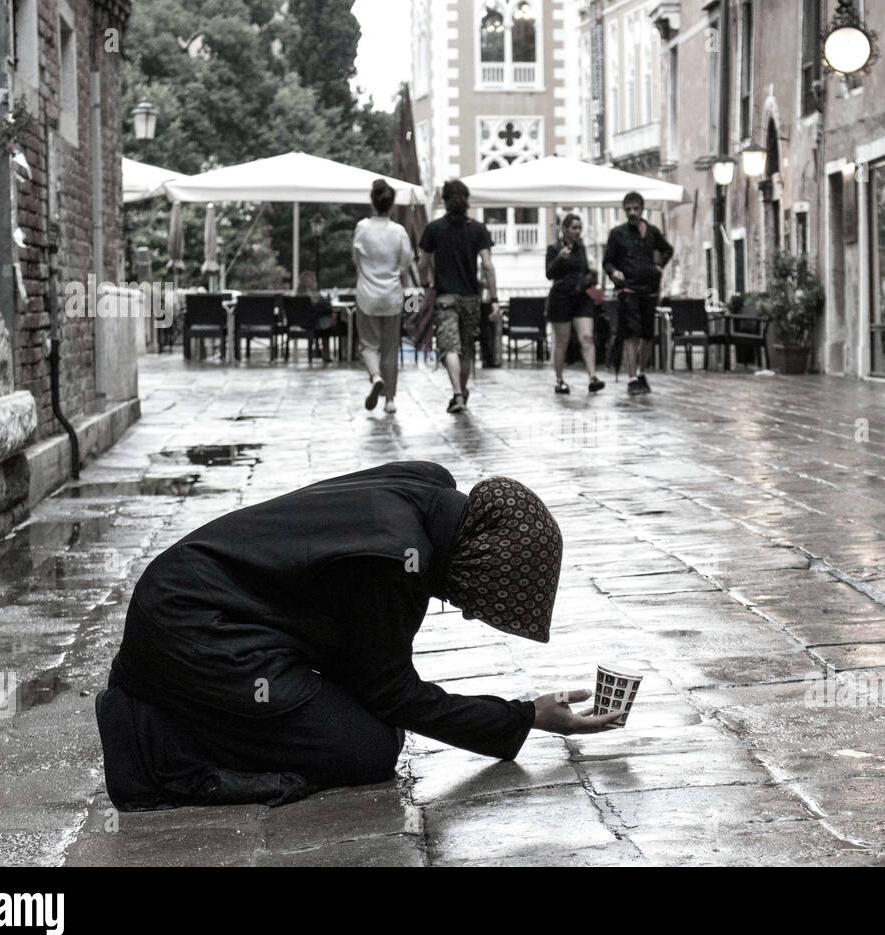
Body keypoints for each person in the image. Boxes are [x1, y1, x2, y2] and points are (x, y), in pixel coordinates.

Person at [95, 460, 622, 810]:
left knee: (379, 725)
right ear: (475, 564)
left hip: (193, 600)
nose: (465, 614)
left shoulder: (428, 491)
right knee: (365, 750)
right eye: (475, 601)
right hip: (195, 628)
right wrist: (524, 716)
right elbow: (391, 691)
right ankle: (154, 737)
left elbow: (378, 677)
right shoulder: (396, 561)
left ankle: (185, 705)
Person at [418, 180, 502, 414]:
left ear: (444, 201)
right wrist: (494, 299)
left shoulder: (433, 229)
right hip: (470, 299)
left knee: (449, 347)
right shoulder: (478, 229)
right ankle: (461, 392)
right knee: (465, 347)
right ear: (467, 200)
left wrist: (426, 285)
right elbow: (487, 265)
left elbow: (423, 263)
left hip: (444, 297)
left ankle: (457, 393)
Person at [353, 179, 415, 414]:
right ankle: (390, 400)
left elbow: (356, 260)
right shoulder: (399, 232)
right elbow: (405, 266)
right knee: (390, 349)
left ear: (373, 202)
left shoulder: (362, 228)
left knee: (369, 345)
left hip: (367, 295)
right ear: (391, 206)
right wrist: (411, 302)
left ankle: (376, 376)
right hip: (392, 296)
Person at [603, 191, 673, 395]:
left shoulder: (652, 232)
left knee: (648, 335)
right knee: (632, 333)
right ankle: (632, 377)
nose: (632, 212)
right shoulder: (618, 234)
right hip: (629, 289)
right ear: (624, 211)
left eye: (635, 209)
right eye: (628, 209)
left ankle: (642, 372)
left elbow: (667, 249)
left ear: (642, 209)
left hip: (650, 290)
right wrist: (614, 272)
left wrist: (659, 266)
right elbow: (607, 261)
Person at [545, 213, 604, 394]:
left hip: (581, 296)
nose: (577, 232)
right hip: (561, 297)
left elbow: (584, 269)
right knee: (562, 340)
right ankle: (559, 379)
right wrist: (559, 259)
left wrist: (590, 276)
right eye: (574, 228)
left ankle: (593, 376)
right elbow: (549, 273)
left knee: (586, 336)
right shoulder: (554, 248)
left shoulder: (581, 249)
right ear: (564, 229)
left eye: (579, 228)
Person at [295, 271, 336, 365]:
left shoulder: (297, 295)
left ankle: (324, 353)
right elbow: (327, 306)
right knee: (327, 325)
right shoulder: (314, 295)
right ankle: (326, 353)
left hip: (300, 323)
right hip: (313, 323)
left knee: (325, 322)